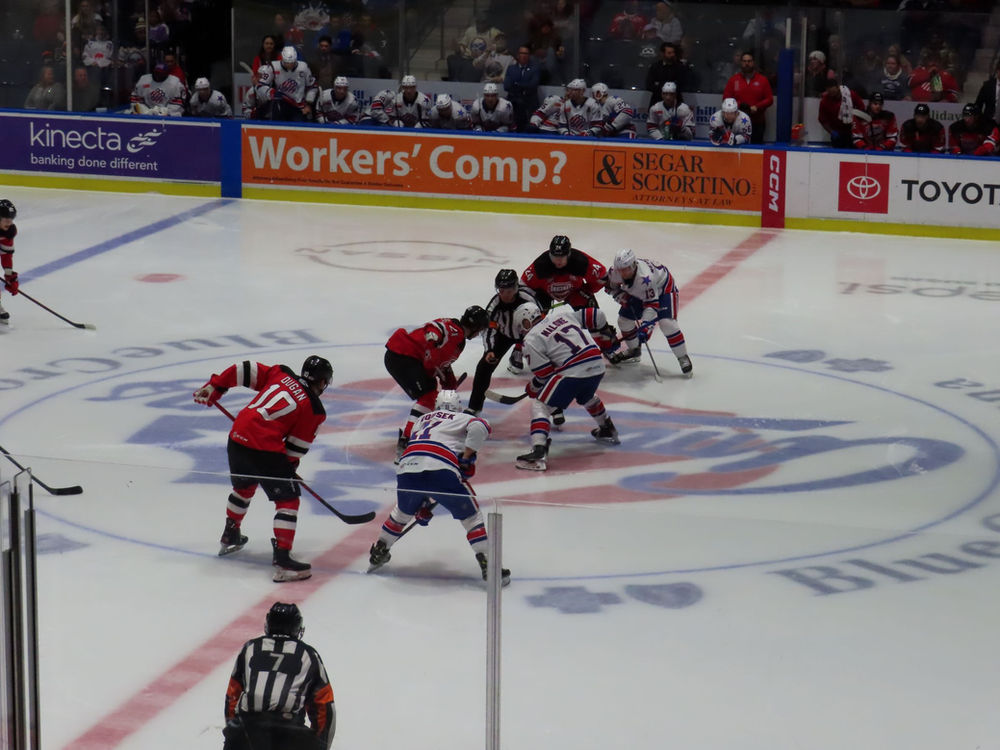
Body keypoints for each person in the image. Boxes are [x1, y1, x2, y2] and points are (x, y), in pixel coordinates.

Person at [192, 355, 333, 582]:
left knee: (244, 486)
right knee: (288, 500)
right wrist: (287, 471)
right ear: (323, 382)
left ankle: (230, 534)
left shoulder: (282, 373)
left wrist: (216, 386)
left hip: (237, 437)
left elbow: (243, 369)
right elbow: (295, 449)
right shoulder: (315, 409)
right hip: (264, 447)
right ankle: (283, 561)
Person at [367, 390, 510, 585]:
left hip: (407, 467)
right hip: (440, 466)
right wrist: (467, 456)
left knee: (402, 511)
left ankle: (380, 549)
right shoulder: (463, 417)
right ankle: (487, 562)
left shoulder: (422, 419)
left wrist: (422, 504)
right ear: (458, 405)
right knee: (471, 516)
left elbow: (424, 473)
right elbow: (480, 427)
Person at [513, 302, 620, 471]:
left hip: (573, 369)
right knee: (586, 395)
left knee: (541, 405)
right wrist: (605, 331)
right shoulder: (563, 316)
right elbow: (596, 315)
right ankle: (607, 427)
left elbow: (544, 374)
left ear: (526, 321)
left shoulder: (531, 339)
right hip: (597, 363)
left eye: (521, 325)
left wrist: (533, 388)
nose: (521, 329)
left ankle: (539, 451)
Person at [223, 602, 335, 750]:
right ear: (297, 628)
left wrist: (234, 733)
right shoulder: (308, 654)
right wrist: (321, 745)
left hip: (247, 727)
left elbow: (233, 696)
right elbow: (324, 707)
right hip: (289, 732)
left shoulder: (250, 648)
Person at [385, 306, 489, 462]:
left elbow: (441, 360)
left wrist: (448, 379)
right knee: (428, 397)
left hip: (405, 356)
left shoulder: (458, 338)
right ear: (476, 327)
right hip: (404, 354)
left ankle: (422, 432)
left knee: (431, 394)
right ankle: (406, 441)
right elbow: (433, 329)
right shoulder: (454, 330)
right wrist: (432, 344)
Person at [605, 248, 693, 377]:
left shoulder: (645, 277)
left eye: (626, 269)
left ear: (634, 265)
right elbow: (610, 287)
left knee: (667, 323)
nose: (623, 273)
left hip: (664, 289)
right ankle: (634, 350)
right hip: (640, 291)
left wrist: (646, 327)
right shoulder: (615, 272)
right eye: (620, 270)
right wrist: (621, 296)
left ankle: (682, 356)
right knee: (624, 321)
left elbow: (652, 305)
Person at [467, 269, 543, 415]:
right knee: (484, 367)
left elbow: (539, 322)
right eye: (501, 290)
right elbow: (489, 329)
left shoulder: (528, 298)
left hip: (528, 335)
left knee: (543, 367)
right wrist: (489, 350)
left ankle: (555, 408)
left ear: (515, 288)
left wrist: (533, 345)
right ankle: (474, 407)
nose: (504, 295)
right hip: (504, 336)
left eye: (508, 290)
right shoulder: (495, 304)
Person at [521, 235, 608, 312]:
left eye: (562, 257)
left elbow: (602, 276)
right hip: (545, 294)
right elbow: (523, 285)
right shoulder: (541, 265)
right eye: (555, 257)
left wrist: (587, 290)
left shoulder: (580, 262)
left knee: (593, 316)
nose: (558, 261)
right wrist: (534, 301)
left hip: (575, 292)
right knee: (531, 316)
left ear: (569, 255)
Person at [256, 46, 318, 122]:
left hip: (299, 106)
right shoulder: (274, 67)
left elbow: (312, 86)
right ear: (282, 58)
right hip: (280, 104)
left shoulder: (303, 67)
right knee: (278, 129)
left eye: (292, 63)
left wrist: (309, 104)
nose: (289, 65)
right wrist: (270, 92)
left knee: (297, 131)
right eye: (287, 63)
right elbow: (260, 86)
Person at [723, 51, 773, 145]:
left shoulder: (762, 80)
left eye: (749, 61)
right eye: (744, 61)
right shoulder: (734, 80)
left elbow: (769, 99)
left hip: (757, 122)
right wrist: (739, 106)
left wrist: (757, 106)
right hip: (737, 122)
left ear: (753, 62)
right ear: (741, 62)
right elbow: (726, 98)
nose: (747, 63)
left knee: (756, 150)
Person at [503, 45, 541, 132]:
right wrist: (523, 87)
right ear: (518, 55)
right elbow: (507, 86)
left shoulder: (534, 69)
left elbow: (533, 85)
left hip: (529, 103)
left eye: (526, 53)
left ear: (529, 55)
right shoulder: (511, 69)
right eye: (521, 53)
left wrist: (516, 84)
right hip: (514, 102)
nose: (523, 55)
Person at [817, 80, 865, 149]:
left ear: (838, 87)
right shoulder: (824, 101)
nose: (831, 94)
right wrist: (832, 132)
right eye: (829, 92)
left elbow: (862, 109)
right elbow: (823, 120)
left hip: (853, 132)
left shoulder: (850, 95)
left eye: (833, 91)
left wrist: (857, 124)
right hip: (838, 134)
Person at [645, 42, 688, 110]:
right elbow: (649, 85)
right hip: (657, 102)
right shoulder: (655, 67)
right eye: (669, 53)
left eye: (673, 52)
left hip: (676, 104)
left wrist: (660, 84)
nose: (672, 55)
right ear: (662, 54)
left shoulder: (680, 67)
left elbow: (682, 84)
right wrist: (664, 88)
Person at [0, 200, 18, 325]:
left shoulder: (9, 232)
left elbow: (6, 255)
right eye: (6, 218)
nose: (9, 222)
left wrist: (9, 276)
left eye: (11, 218)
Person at [974, 59, 1000, 125]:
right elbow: (978, 104)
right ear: (997, 71)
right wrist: (980, 120)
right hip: (989, 122)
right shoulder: (987, 86)